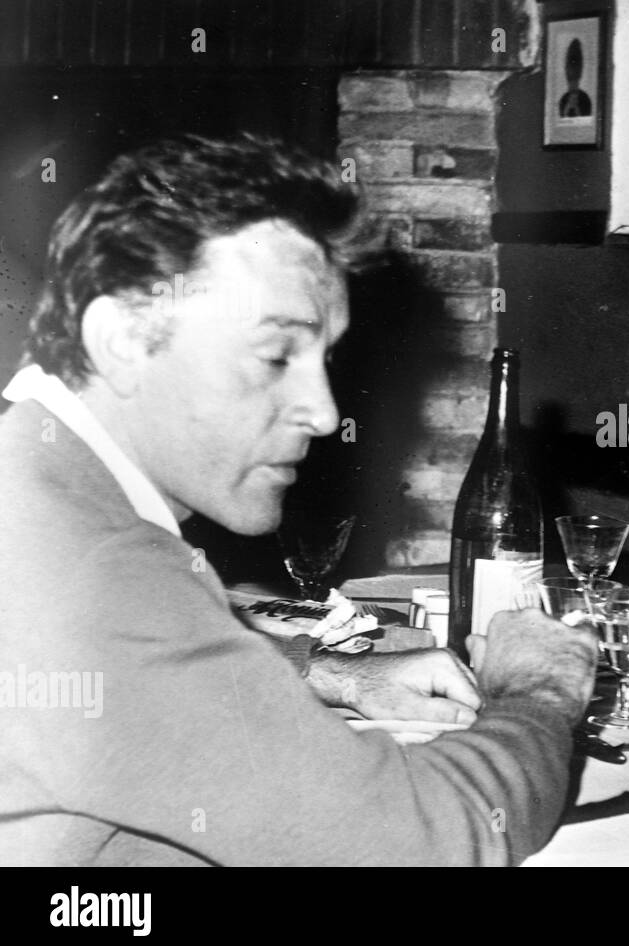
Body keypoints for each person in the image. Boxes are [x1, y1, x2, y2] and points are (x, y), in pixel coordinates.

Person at [0, 133, 596, 865]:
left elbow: (141, 679)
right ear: (123, 337)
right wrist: (538, 692)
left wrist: (334, 671)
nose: (320, 410)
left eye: (325, 360)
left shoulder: (37, 483)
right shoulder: (90, 563)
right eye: (277, 354)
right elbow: (431, 842)